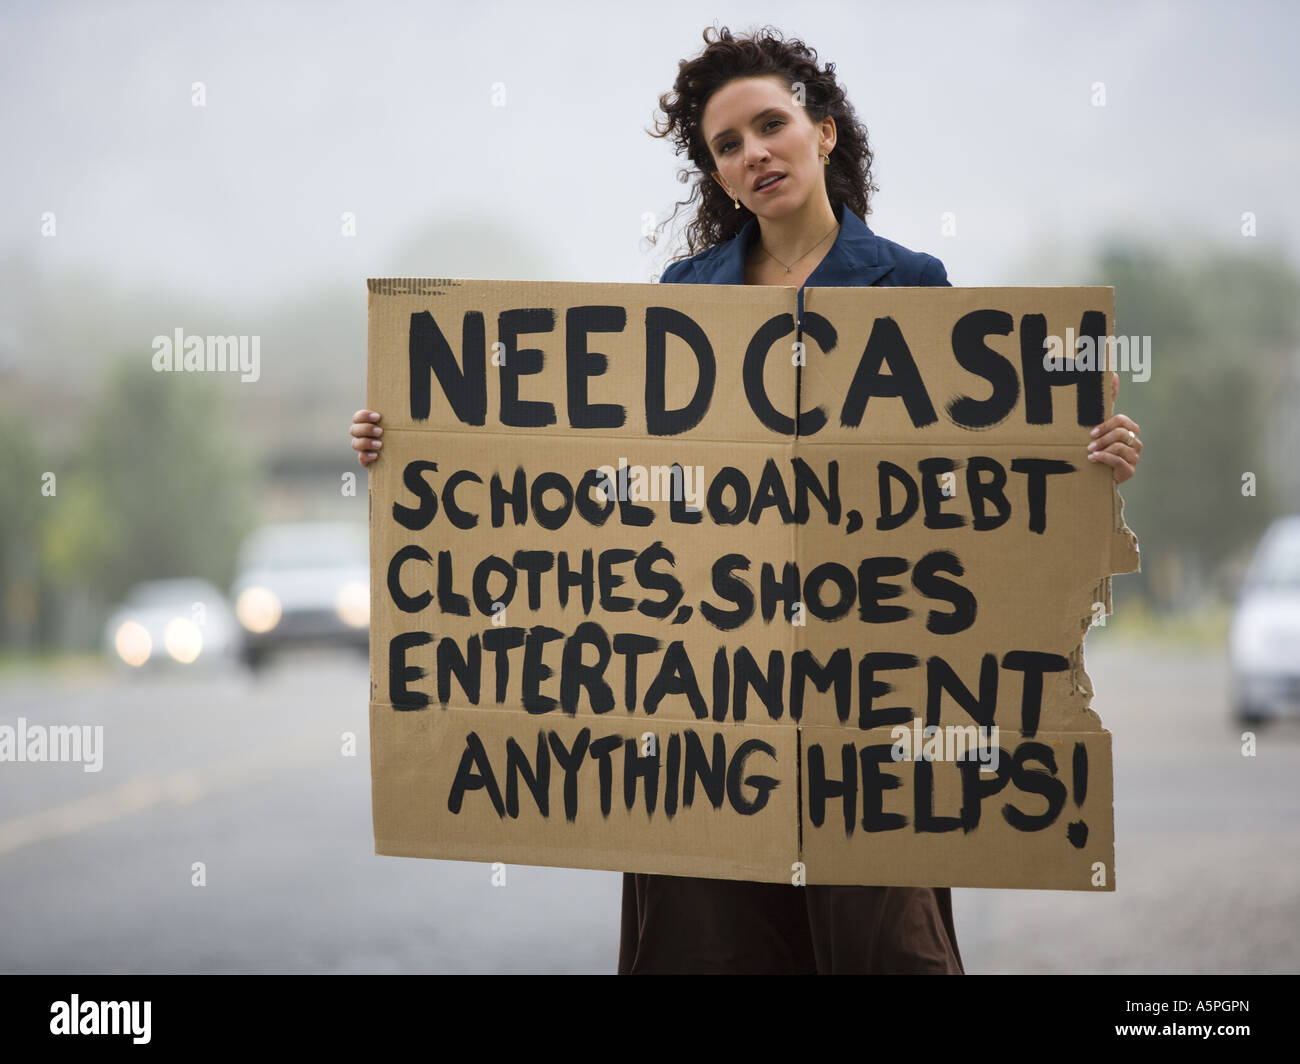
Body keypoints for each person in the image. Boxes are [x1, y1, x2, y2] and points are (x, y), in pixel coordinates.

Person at [349, 24, 1144, 974]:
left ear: (826, 133)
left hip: (872, 696)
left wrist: (1084, 460)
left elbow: (973, 488)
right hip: (711, 701)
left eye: (772, 125)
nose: (754, 153)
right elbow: (594, 475)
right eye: (727, 144)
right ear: (717, 174)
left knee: (884, 950)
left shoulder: (914, 286)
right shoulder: (685, 298)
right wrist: (419, 441)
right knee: (711, 946)